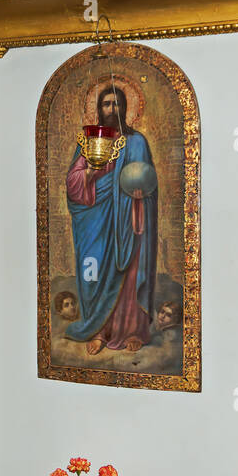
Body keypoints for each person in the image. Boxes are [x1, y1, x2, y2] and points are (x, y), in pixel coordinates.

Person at [65, 84, 158, 355]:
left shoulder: (137, 142)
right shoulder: (89, 142)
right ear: (98, 108)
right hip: (95, 218)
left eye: (115, 104)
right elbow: (73, 183)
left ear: (125, 108)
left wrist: (140, 193)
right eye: (105, 104)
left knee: (128, 273)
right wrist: (89, 174)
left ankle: (132, 331)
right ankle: (99, 331)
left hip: (129, 217)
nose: (110, 109)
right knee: (94, 271)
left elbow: (146, 178)